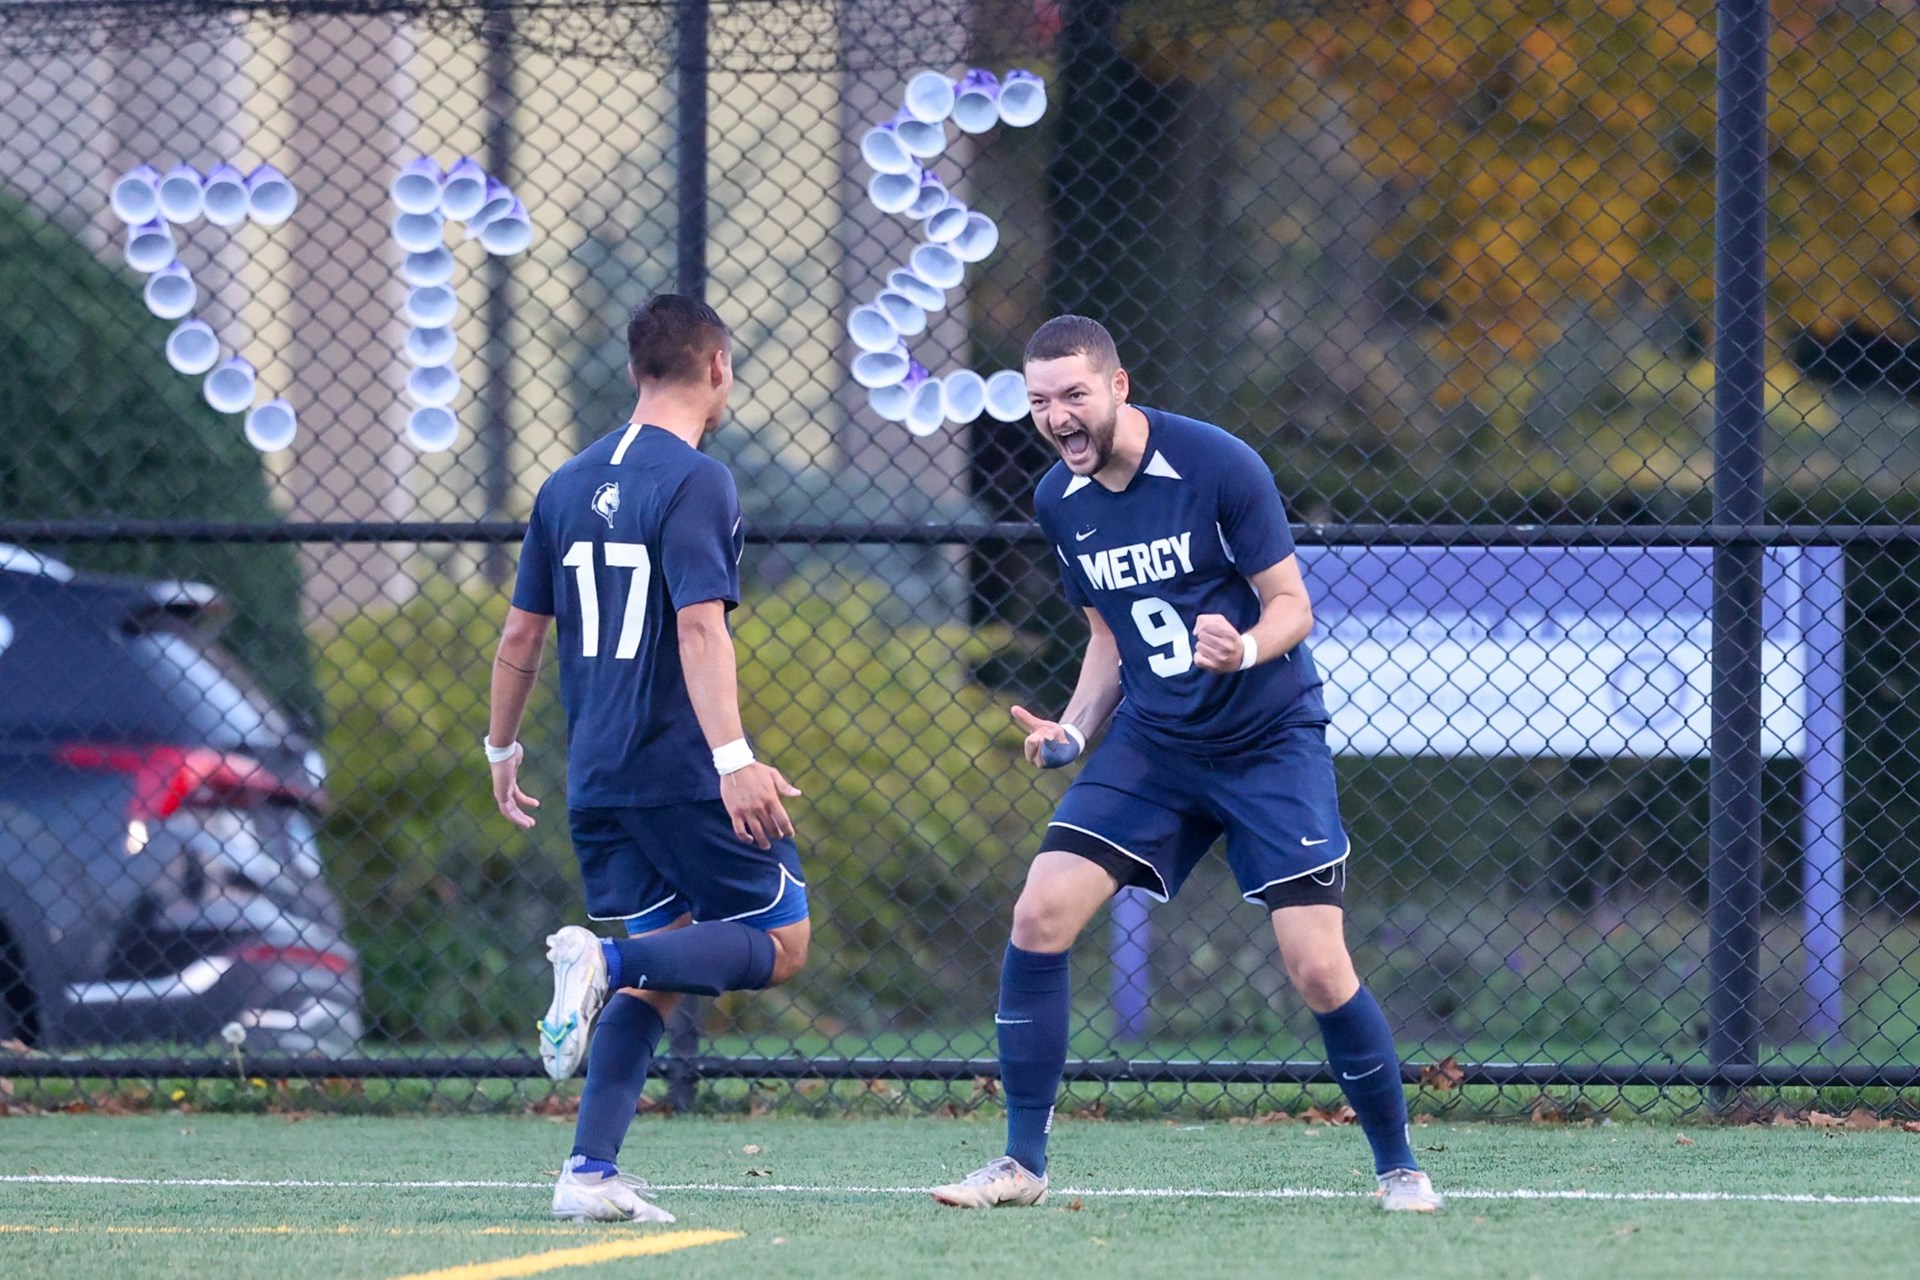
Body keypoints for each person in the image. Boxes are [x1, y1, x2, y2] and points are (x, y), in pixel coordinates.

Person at [931, 315, 1443, 1213]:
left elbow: (1292, 606)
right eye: (1040, 400)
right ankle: (1021, 1163)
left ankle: (1400, 1166)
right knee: (1040, 912)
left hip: (1265, 741)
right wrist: (1075, 732)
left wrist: (1241, 650)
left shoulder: (1218, 465)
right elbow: (1107, 637)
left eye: (1073, 395)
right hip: (1156, 745)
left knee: (1318, 966)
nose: (1056, 416)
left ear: (1119, 386)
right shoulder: (1060, 500)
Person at [486, 294, 810, 1223]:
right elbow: (701, 627)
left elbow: (520, 632)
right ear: (719, 367)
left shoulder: (562, 483)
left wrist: (501, 747)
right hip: (679, 772)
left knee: (666, 967)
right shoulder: (698, 479)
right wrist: (735, 759)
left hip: (596, 774)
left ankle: (588, 1172)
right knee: (781, 944)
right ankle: (603, 959)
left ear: (635, 372)